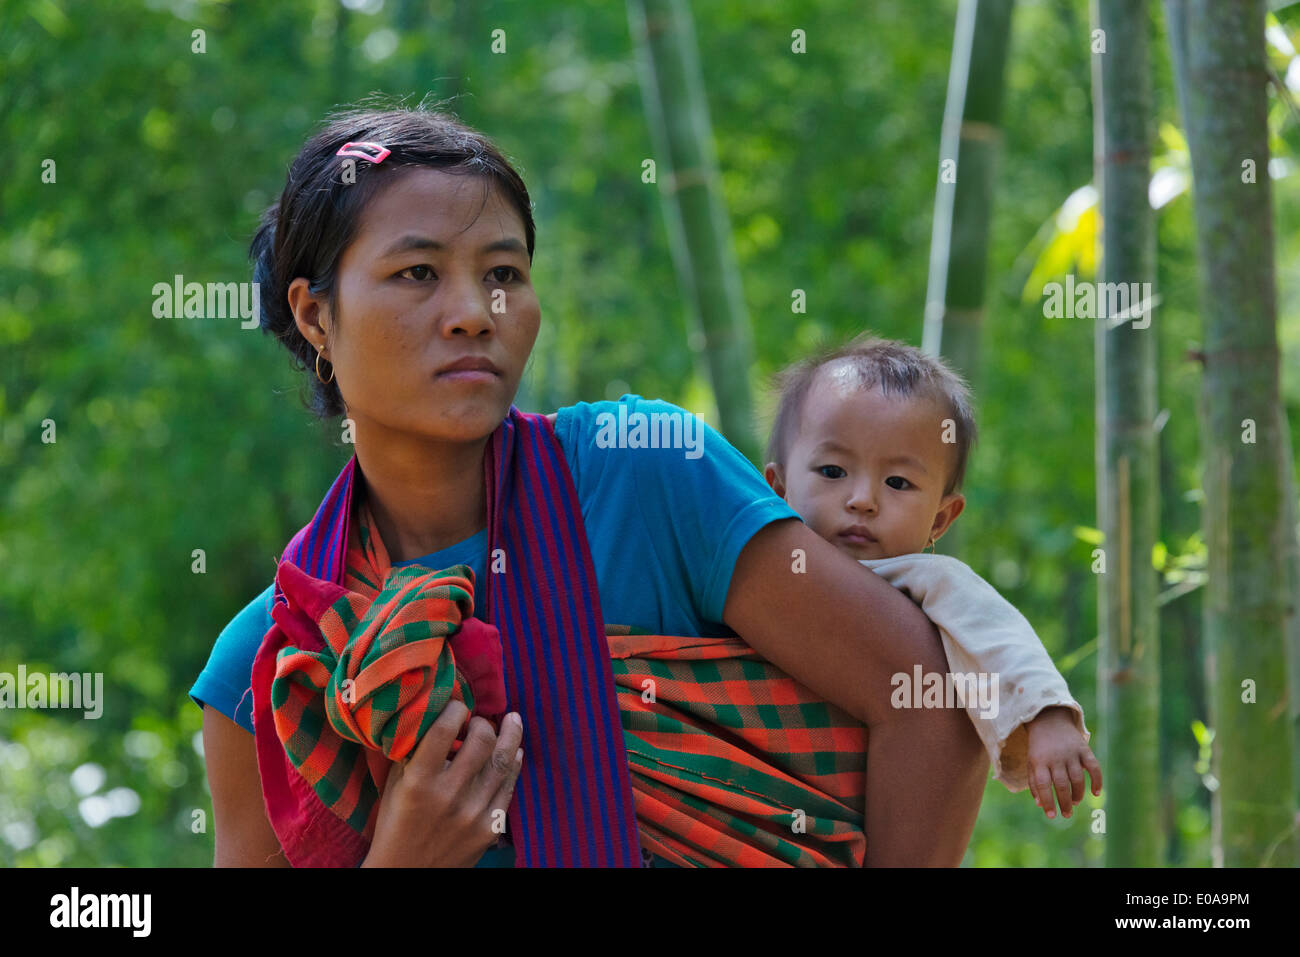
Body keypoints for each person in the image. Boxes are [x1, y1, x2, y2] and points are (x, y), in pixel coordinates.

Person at [190, 105, 987, 867]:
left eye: (504, 271)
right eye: (418, 272)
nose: (474, 311)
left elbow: (926, 697)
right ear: (316, 316)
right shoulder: (279, 660)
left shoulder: (642, 474)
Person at [762, 335, 1103, 819]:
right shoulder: (758, 562)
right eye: (833, 470)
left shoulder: (921, 579)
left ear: (941, 521)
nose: (862, 498)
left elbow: (995, 634)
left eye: (897, 482)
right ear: (777, 487)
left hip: (834, 804)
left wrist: (1047, 715)